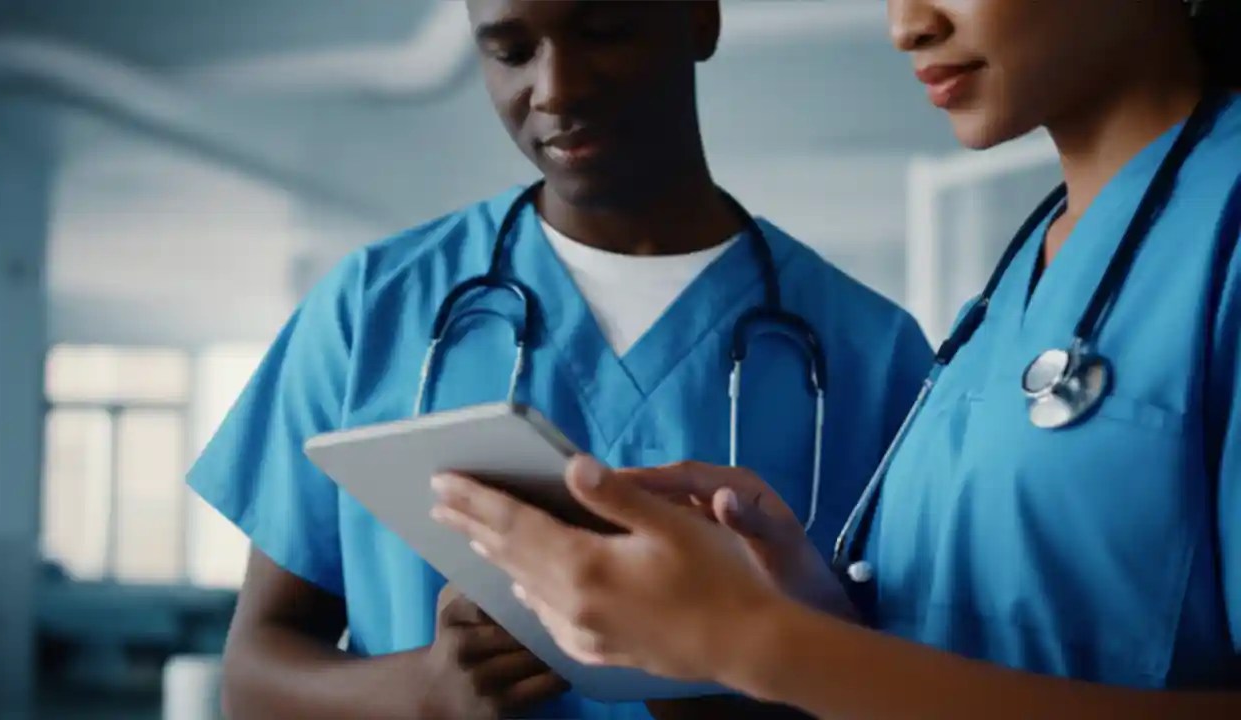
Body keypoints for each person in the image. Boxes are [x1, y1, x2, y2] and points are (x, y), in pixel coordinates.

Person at [430, 0, 1241, 717]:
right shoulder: (1026, 267)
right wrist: (798, 597)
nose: (905, 25)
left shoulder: (1222, 229)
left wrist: (757, 642)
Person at [187, 1, 932, 718]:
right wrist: (425, 694)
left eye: (605, 31)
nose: (556, 89)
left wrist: (736, 673)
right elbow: (253, 677)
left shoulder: (873, 354)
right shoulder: (372, 309)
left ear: (700, 16)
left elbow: (931, 686)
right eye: (510, 51)